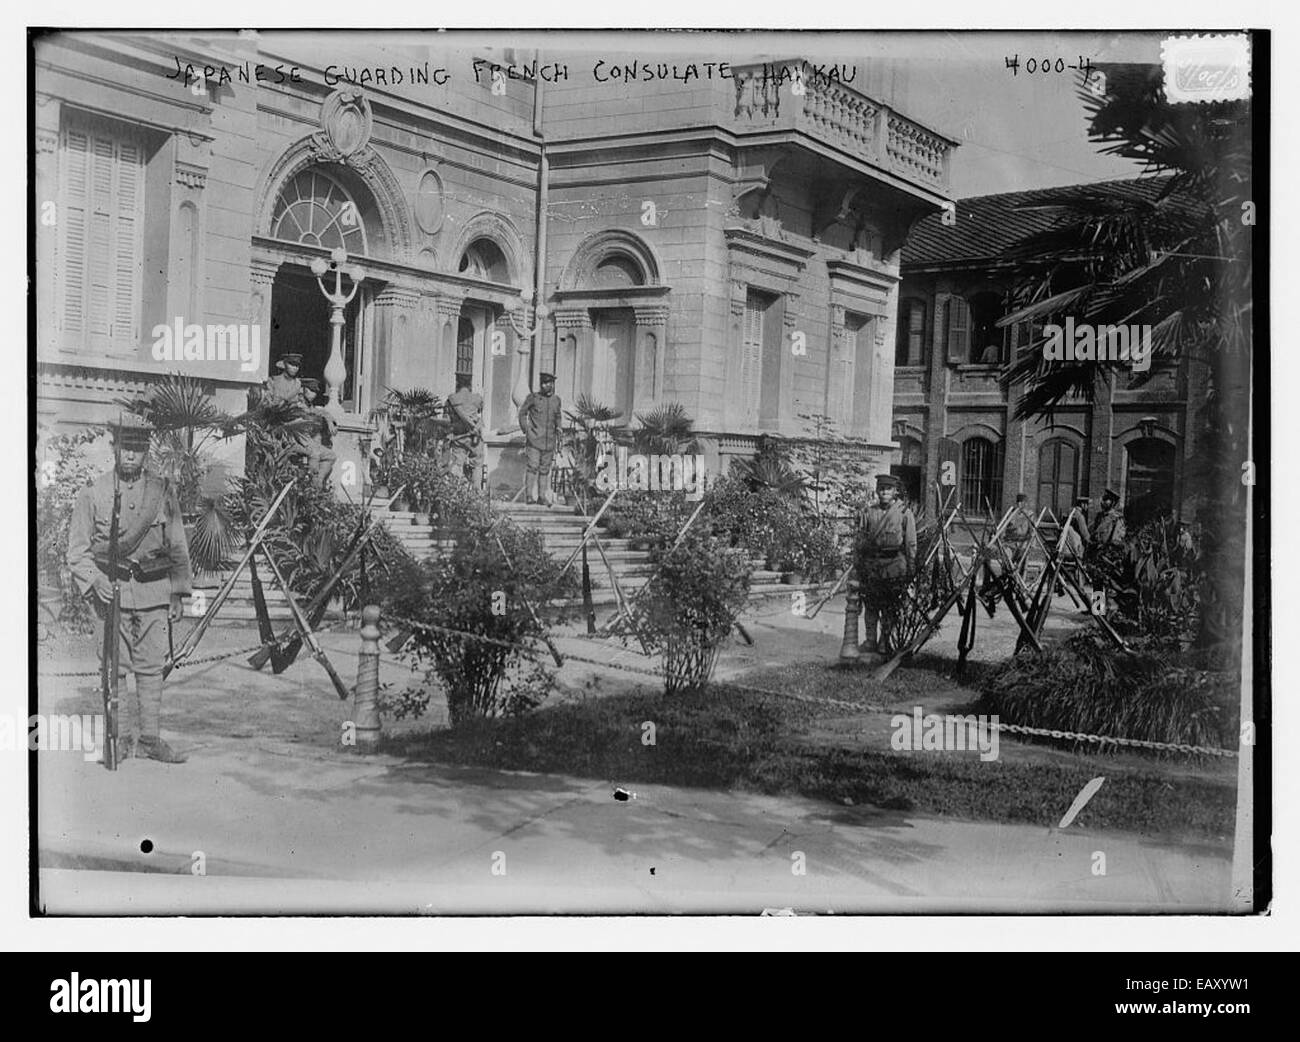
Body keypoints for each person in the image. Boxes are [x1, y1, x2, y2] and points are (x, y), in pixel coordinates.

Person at [67, 413, 193, 764]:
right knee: (114, 667)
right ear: (114, 447)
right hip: (111, 594)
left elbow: (177, 546)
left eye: (138, 449)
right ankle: (120, 739)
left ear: (146, 450)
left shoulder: (162, 492)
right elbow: (76, 551)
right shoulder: (94, 492)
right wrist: (95, 580)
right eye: (125, 447)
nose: (131, 456)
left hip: (154, 594)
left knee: (152, 667)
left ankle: (150, 740)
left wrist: (178, 593)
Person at [849, 473, 917, 658]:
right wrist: (858, 564)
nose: (884, 492)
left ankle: (884, 641)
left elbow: (910, 543)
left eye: (888, 489)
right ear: (877, 491)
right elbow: (861, 540)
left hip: (894, 565)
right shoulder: (869, 512)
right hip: (872, 566)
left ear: (895, 491)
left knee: (889, 607)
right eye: (881, 488)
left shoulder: (904, 513)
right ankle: (870, 640)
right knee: (871, 605)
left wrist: (910, 569)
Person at [519, 372, 563, 506]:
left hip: (549, 441)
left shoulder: (556, 400)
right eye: (543, 383)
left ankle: (542, 497)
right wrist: (527, 430)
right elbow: (522, 413)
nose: (545, 386)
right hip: (534, 440)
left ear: (552, 384)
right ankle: (529, 496)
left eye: (548, 383)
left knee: (545, 469)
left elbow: (558, 416)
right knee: (532, 467)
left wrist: (559, 428)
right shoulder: (533, 398)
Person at [446, 373, 485, 488]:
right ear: (470, 384)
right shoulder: (477, 398)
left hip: (459, 437)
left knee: (457, 465)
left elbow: (448, 420)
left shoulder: (451, 399)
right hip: (475, 438)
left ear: (457, 383)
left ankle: (456, 494)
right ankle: (476, 494)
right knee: (477, 465)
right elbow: (480, 410)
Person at [300, 378, 338, 489]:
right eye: (311, 390)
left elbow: (320, 412)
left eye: (315, 392)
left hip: (308, 441)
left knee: (331, 456)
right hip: (298, 439)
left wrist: (329, 420)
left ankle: (318, 482)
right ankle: (313, 484)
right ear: (303, 389)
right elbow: (310, 413)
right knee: (315, 454)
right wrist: (323, 416)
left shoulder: (310, 405)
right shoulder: (297, 403)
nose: (314, 394)